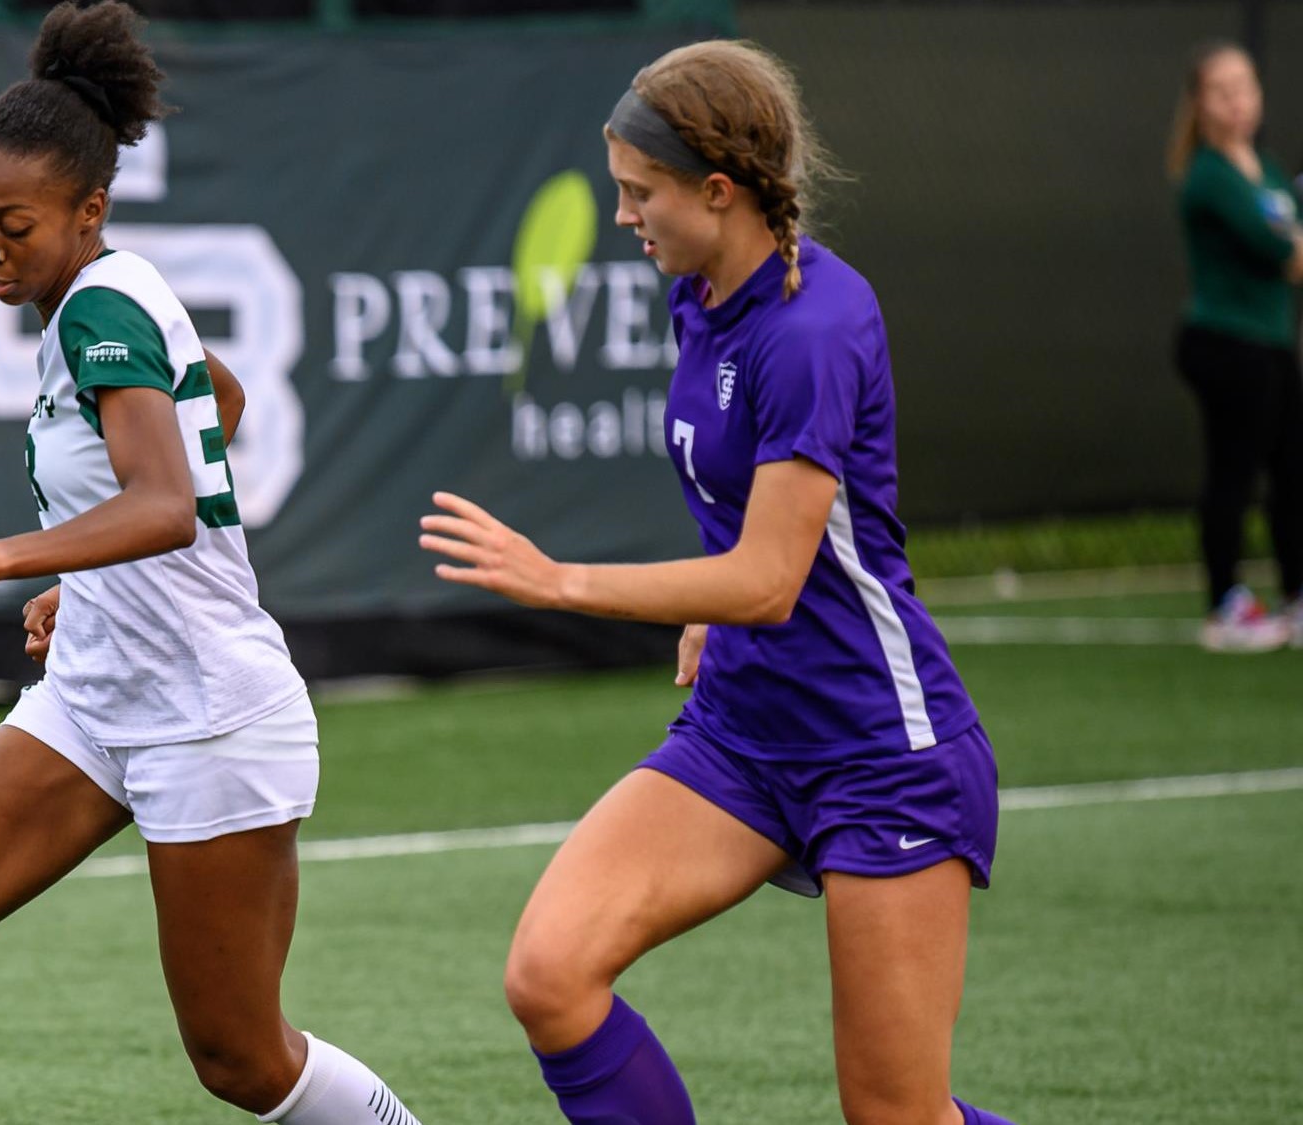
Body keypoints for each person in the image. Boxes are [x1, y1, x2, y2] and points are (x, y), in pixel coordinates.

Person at [0, 5, 421, 1123]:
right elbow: (221, 407)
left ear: (88, 210)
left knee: (241, 1061)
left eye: (9, 223)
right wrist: (91, 577)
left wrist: (2, 558)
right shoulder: (100, 296)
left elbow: (162, 502)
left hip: (207, 715)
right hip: (92, 700)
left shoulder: (105, 302)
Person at [418, 40, 1015, 1125]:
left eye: (638, 193)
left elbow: (769, 581)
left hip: (879, 753)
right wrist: (701, 607)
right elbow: (738, 529)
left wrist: (560, 583)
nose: (620, 217)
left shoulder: (812, 328)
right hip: (741, 730)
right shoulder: (699, 294)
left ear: (719, 190)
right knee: (548, 975)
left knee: (892, 1114)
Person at [1168, 41, 1303, 653]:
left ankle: (1296, 597)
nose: (1238, 101)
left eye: (1245, 86)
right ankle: (1225, 603)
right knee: (1233, 473)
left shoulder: (1268, 171)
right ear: (1202, 103)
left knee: (1292, 472)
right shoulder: (1210, 178)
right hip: (1226, 346)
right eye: (1223, 91)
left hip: (1272, 344)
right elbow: (1287, 253)